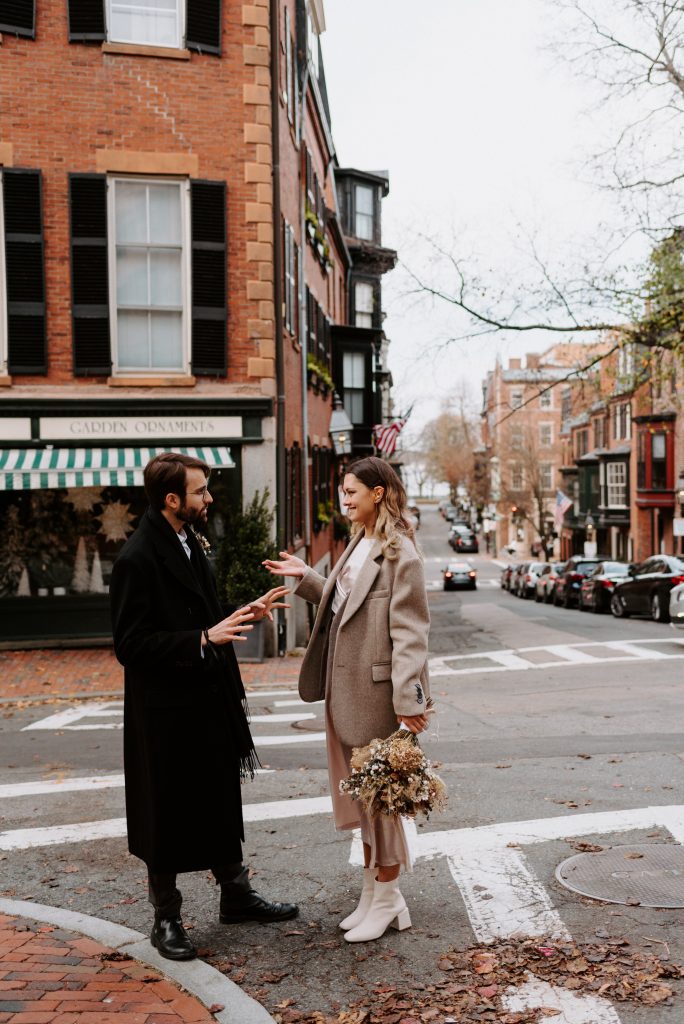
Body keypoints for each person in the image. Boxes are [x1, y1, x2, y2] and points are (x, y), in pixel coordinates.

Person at [110, 452, 297, 962]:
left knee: (218, 796)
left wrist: (241, 614)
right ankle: (165, 917)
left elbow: (202, 613)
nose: (208, 498)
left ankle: (235, 895)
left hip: (208, 698)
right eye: (200, 492)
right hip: (165, 712)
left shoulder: (189, 540)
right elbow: (130, 644)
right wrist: (201, 638)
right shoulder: (136, 558)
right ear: (172, 500)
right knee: (164, 810)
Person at [264, 456, 430, 943]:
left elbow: (412, 634)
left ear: (378, 493)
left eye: (352, 491)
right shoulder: (359, 543)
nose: (345, 498)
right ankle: (374, 894)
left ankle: (389, 894)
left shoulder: (402, 553)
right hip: (345, 691)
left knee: (383, 800)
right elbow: (344, 607)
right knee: (364, 799)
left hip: (379, 695)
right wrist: (306, 578)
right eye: (342, 491)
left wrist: (409, 700)